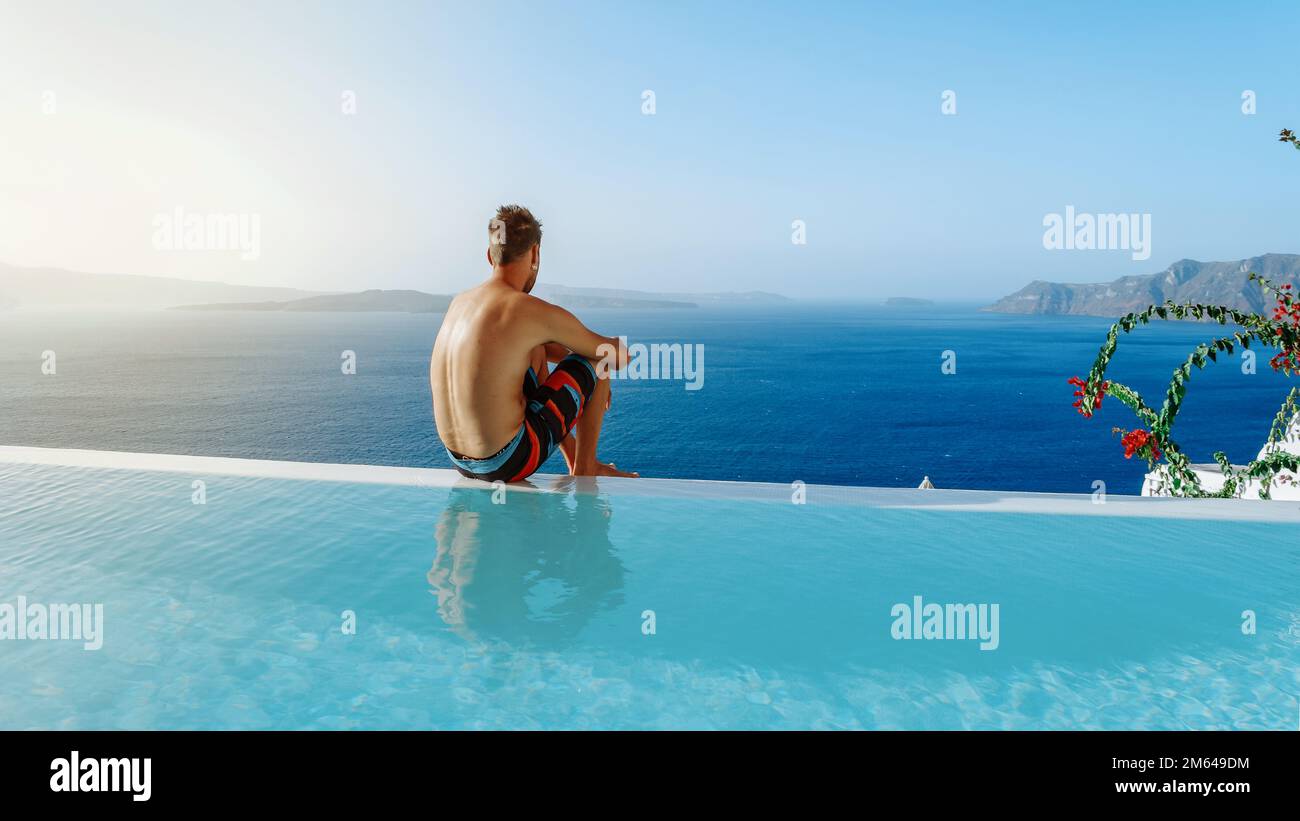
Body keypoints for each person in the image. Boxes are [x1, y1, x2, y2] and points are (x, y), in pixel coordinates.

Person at [430, 204, 638, 481]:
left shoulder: (460, 302)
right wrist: (597, 371)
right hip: (508, 461)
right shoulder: (527, 310)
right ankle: (585, 469)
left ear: (490, 257)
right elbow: (615, 356)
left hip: (460, 461)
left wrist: (566, 358)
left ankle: (573, 455)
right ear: (535, 253)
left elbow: (525, 349)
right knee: (597, 361)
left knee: (533, 348)